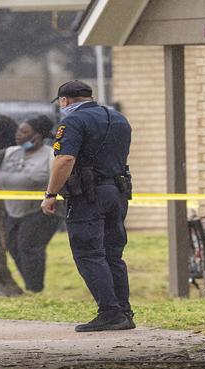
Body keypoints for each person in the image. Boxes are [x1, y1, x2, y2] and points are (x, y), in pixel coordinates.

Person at [42, 80, 134, 332]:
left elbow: (65, 159)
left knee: (89, 254)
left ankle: (110, 312)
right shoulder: (118, 119)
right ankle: (124, 311)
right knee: (113, 254)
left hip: (88, 196)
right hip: (117, 192)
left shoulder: (72, 122)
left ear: (64, 101)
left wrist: (51, 194)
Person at [0, 114, 59, 292]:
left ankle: (35, 289)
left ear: (37, 136)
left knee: (28, 246)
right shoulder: (10, 152)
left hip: (40, 211)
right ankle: (29, 286)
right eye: (18, 130)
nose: (18, 135)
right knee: (13, 246)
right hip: (12, 209)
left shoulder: (50, 155)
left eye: (24, 132)